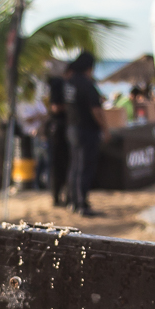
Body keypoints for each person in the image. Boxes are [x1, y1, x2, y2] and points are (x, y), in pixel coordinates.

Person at [66, 51, 105, 218]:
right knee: (84, 168)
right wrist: (105, 128)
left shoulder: (69, 83)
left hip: (72, 128)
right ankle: (82, 204)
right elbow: (96, 110)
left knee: (75, 166)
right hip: (85, 130)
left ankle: (73, 201)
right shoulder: (86, 84)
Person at [43, 71, 69, 206]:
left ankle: (58, 196)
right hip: (58, 132)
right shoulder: (58, 86)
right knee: (58, 167)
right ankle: (57, 196)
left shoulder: (58, 86)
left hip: (56, 130)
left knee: (58, 167)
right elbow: (56, 108)